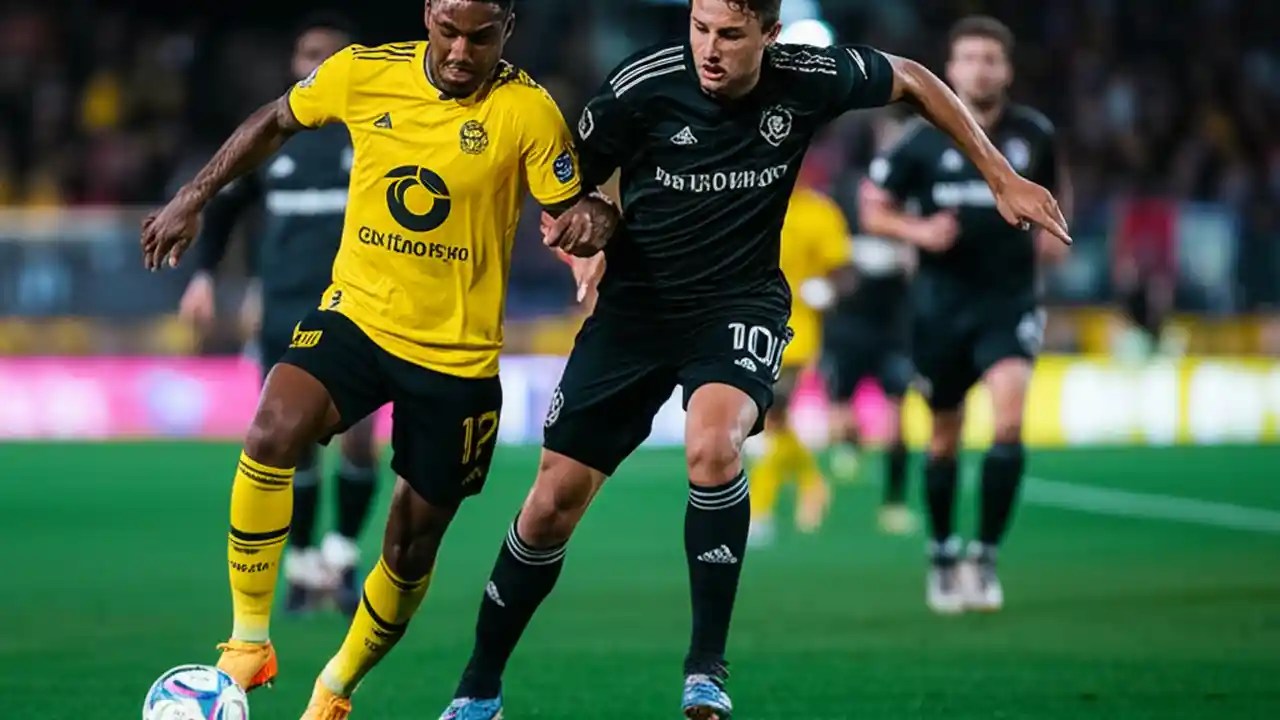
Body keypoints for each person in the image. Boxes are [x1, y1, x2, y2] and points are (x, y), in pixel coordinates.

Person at [440, 1, 1068, 718]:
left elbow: (916, 79)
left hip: (738, 305)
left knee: (713, 447)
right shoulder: (639, 85)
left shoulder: (808, 77)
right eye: (700, 29)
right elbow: (574, 186)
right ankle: (479, 687)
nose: (710, 49)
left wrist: (998, 176)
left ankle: (705, 668)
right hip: (636, 314)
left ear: (769, 36)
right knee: (551, 504)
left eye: (731, 35)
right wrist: (589, 229)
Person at [139, 1, 618, 718]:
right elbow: (274, 119)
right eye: (449, 30)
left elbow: (578, 205)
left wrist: (594, 224)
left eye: (481, 37)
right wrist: (193, 195)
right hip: (358, 317)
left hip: (456, 359)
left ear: (507, 31)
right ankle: (248, 641)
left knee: (410, 544)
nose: (461, 50)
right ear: (428, 14)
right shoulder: (363, 74)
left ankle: (336, 687)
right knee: (274, 424)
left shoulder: (528, 110)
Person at [859, 15, 1072, 615]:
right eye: (968, 59)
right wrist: (918, 230)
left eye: (990, 59)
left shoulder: (1034, 134)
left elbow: (1055, 188)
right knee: (945, 437)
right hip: (939, 307)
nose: (979, 69)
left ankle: (984, 555)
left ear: (1007, 69)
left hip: (1007, 302)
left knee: (1008, 423)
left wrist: (1054, 232)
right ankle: (943, 552)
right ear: (948, 70)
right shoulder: (923, 141)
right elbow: (873, 209)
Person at [178, 13, 379, 615]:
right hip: (285, 306)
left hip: (357, 308)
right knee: (294, 443)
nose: (314, 65)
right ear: (293, 63)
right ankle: (302, 562)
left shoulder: (372, 135)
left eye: (327, 55)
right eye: (305, 54)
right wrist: (205, 277)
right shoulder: (274, 138)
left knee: (361, 439)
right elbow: (224, 209)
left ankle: (341, 555)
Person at [821, 117, 919, 535]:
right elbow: (835, 250)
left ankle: (892, 499)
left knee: (894, 410)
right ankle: (853, 452)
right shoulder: (850, 187)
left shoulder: (906, 186)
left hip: (888, 316)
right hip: (859, 314)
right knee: (850, 408)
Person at [746, 154, 850, 548]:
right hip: (752, 327)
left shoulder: (820, 214)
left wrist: (827, 290)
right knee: (775, 422)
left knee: (772, 418)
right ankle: (812, 482)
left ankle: (761, 509)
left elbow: (843, 270)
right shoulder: (759, 200)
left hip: (797, 334)